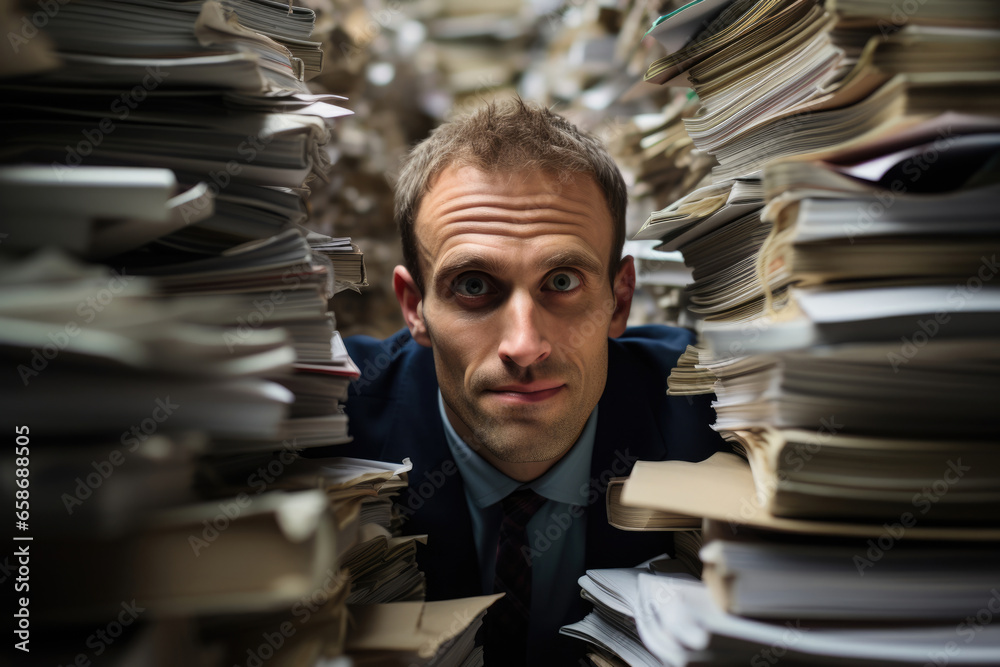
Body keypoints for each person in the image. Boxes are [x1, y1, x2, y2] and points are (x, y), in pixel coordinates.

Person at [334, 99, 726, 666]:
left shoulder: (722, 421)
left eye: (562, 281)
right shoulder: (321, 428)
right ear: (414, 307)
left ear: (619, 300)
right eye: (473, 285)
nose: (524, 345)